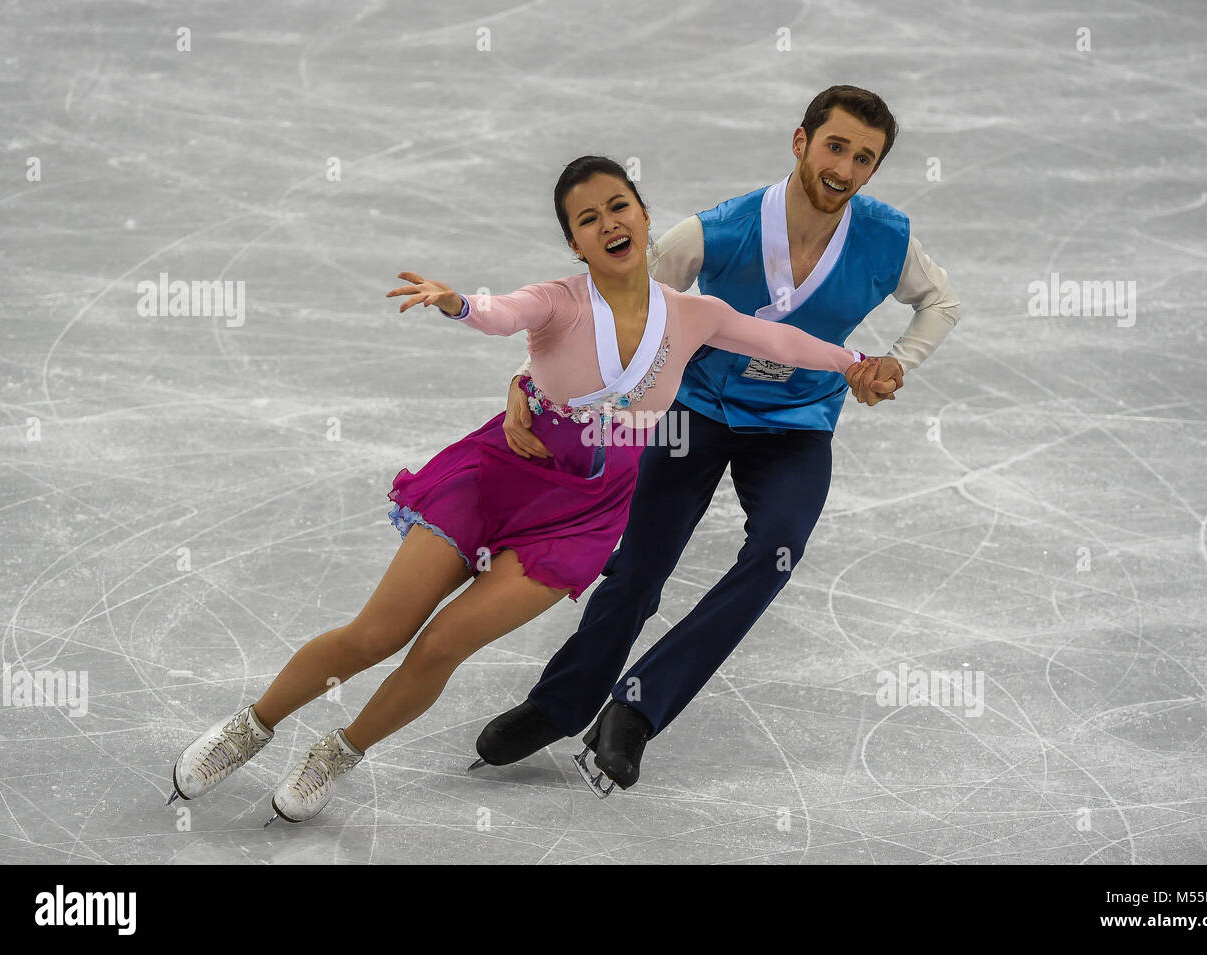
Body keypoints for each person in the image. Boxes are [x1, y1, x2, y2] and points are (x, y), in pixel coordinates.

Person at [165, 154, 889, 824]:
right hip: (499, 477)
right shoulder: (560, 300)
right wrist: (456, 305)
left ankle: (339, 752)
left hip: (586, 513)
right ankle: (251, 726)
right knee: (379, 632)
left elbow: (781, 344)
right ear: (576, 242)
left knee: (442, 644)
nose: (608, 223)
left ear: (643, 216)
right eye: (588, 218)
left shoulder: (694, 316)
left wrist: (854, 360)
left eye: (618, 206)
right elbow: (500, 312)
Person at [475, 85, 962, 795]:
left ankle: (636, 710)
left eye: (865, 158)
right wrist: (530, 377)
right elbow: (612, 301)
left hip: (796, 426)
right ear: (801, 142)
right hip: (694, 411)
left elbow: (941, 301)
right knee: (639, 568)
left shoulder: (887, 239)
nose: (845, 168)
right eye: (836, 146)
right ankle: (559, 704)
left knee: (774, 554)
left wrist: (897, 360)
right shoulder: (718, 230)